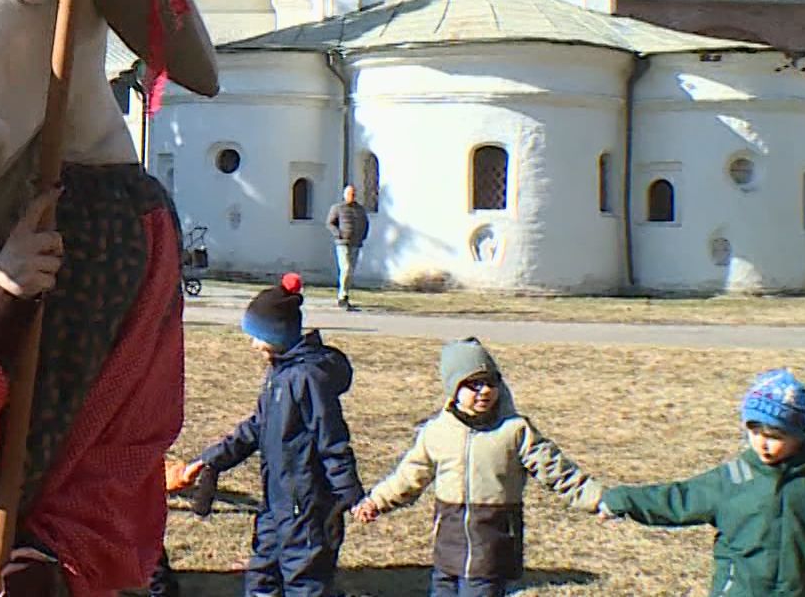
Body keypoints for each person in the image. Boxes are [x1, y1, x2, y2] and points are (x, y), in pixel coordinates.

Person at [351, 338, 603, 596]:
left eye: (491, 382)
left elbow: (558, 471)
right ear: (453, 388)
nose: (484, 391)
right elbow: (409, 476)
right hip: (448, 550)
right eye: (474, 384)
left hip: (492, 551)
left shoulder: (514, 431)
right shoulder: (438, 431)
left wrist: (597, 499)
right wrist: (376, 501)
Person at [601, 369, 805, 596]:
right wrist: (621, 500)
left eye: (775, 435)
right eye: (755, 431)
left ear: (800, 434)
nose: (763, 444)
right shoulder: (732, 480)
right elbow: (677, 499)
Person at [181, 274, 362, 597]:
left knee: (304, 581)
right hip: (276, 502)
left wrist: (350, 495)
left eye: (257, 336)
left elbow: (332, 440)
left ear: (278, 333)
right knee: (262, 575)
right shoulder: (278, 373)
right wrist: (212, 459)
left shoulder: (306, 378)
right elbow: (256, 427)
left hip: (305, 507)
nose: (253, 345)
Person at [324, 185, 368, 311]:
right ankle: (342, 296)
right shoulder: (338, 208)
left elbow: (365, 223)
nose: (351, 196)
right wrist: (338, 234)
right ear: (345, 195)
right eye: (349, 194)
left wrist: (362, 236)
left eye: (353, 194)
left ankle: (345, 294)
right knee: (346, 268)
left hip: (356, 243)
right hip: (343, 243)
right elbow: (330, 223)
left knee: (350, 271)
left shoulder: (359, 209)